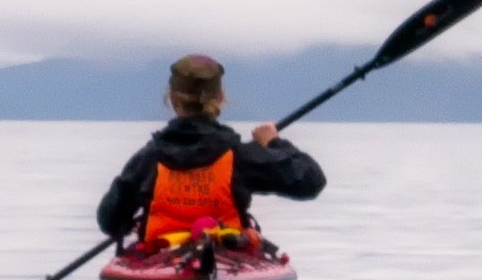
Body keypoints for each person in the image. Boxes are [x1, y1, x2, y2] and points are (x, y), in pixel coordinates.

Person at [97, 54, 326, 248]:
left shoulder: (147, 159)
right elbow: (311, 181)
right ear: (221, 98)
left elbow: (109, 220)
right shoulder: (241, 157)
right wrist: (275, 143)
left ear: (173, 99)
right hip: (228, 252)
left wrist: (128, 223)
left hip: (162, 256)